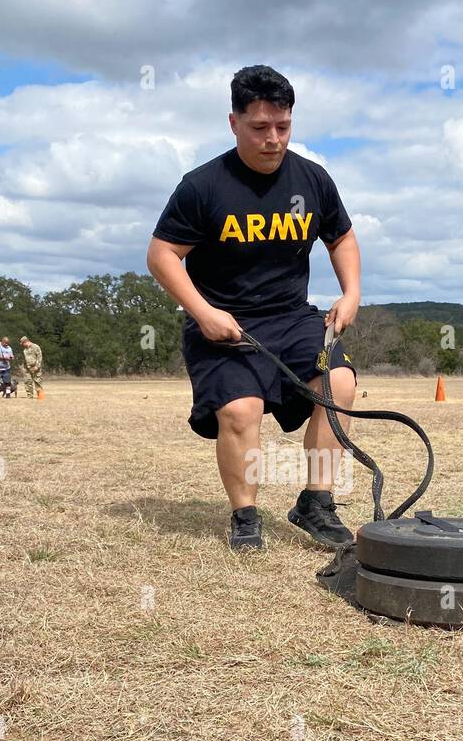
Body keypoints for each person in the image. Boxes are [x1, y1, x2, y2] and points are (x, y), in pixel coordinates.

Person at [147, 65, 361, 551]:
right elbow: (162, 255)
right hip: (223, 322)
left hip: (292, 316)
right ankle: (245, 515)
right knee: (242, 411)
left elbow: (342, 237)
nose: (273, 139)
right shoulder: (202, 186)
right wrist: (203, 312)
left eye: (283, 127)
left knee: (340, 382)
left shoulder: (313, 179)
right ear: (233, 123)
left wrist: (351, 293)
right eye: (260, 128)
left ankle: (316, 503)